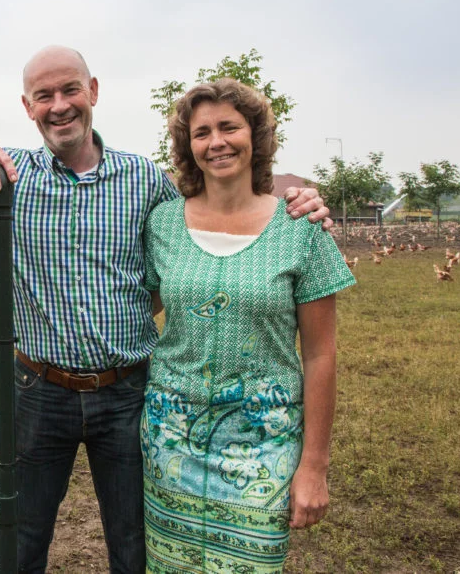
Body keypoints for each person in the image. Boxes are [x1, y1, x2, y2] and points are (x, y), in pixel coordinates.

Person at [0, 46, 330, 574]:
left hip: (128, 393)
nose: (59, 105)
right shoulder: (3, 176)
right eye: (43, 95)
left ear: (93, 91)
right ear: (27, 107)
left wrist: (297, 198)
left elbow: (216, 197)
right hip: (39, 390)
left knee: (133, 542)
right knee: (22, 537)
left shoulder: (144, 180)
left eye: (70, 89)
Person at [141, 78, 355, 572]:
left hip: (263, 448)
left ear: (254, 137)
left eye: (229, 127)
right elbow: (137, 308)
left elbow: (321, 355)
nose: (216, 142)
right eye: (201, 132)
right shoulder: (163, 224)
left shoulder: (302, 227)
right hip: (167, 446)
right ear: (188, 146)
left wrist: (314, 466)